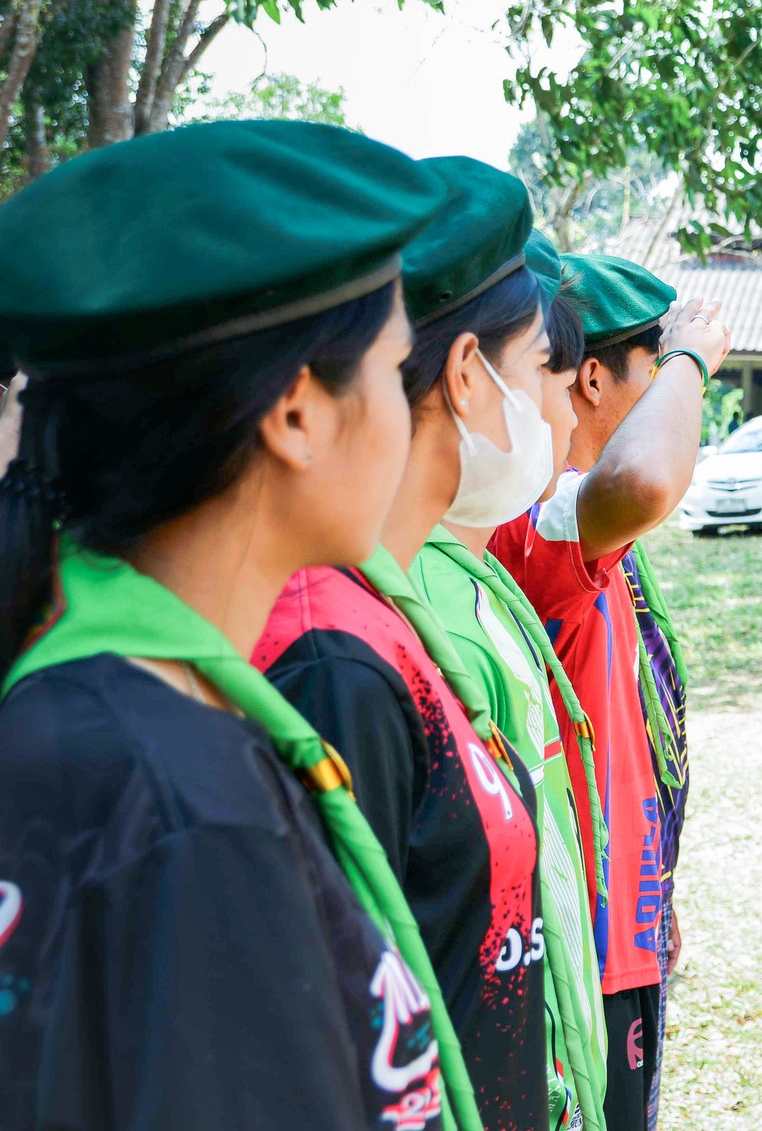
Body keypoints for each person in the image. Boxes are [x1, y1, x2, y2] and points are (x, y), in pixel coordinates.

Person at [0, 121, 458, 1130]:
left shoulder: (79, 708)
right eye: (394, 372)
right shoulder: (192, 810)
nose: (408, 412)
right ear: (296, 414)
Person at [256, 157, 553, 1131]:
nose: (548, 407)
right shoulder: (333, 661)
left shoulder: (393, 615)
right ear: (466, 374)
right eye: (537, 368)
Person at [489, 253, 729, 1131]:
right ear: (592, 378)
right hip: (582, 936)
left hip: (626, 912)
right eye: (654, 371)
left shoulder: (602, 540)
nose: (674, 398)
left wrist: (656, 889)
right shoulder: (541, 518)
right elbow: (644, 481)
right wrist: (691, 356)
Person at [411, 232, 611, 1131]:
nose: (565, 419)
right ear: (466, 375)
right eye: (546, 376)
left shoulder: (480, 578)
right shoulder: (422, 608)